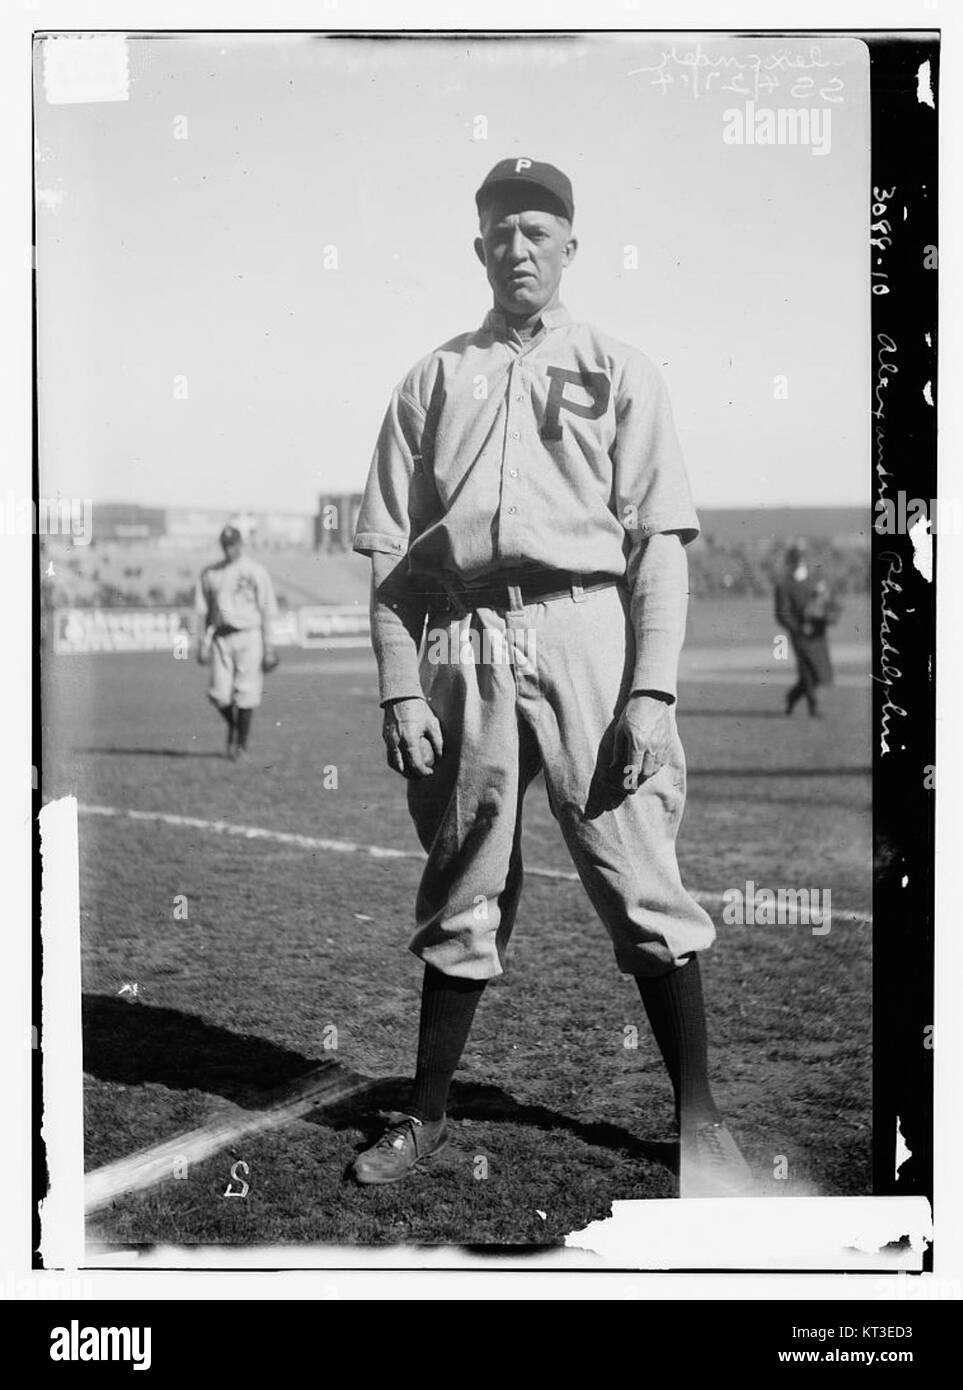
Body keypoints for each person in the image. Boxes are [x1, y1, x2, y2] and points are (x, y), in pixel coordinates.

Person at [350, 157, 751, 1198]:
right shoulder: (431, 379)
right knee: (462, 874)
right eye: (499, 230)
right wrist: (400, 684)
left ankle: (700, 1121)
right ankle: (429, 1112)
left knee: (637, 874)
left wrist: (651, 693)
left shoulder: (623, 369)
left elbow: (660, 545)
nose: (518, 247)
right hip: (464, 640)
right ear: (476, 244)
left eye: (538, 230)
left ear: (572, 243)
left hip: (587, 629)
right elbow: (391, 555)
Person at [194, 524, 278, 758]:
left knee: (246, 691)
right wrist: (201, 643)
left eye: (233, 544)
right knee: (219, 694)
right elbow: (202, 611)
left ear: (240, 544)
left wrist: (269, 647)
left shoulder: (255, 571)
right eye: (225, 545)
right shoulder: (211, 573)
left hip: (249, 634)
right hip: (221, 636)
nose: (229, 549)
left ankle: (240, 745)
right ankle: (234, 726)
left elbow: (266, 609)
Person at [774, 543, 840, 718]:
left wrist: (829, 614)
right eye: (796, 560)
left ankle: (792, 696)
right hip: (800, 636)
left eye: (802, 560)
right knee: (807, 671)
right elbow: (782, 614)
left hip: (818, 634)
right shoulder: (784, 585)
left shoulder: (816, 579)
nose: (800, 564)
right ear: (790, 562)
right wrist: (798, 627)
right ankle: (813, 707)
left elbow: (828, 602)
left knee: (819, 673)